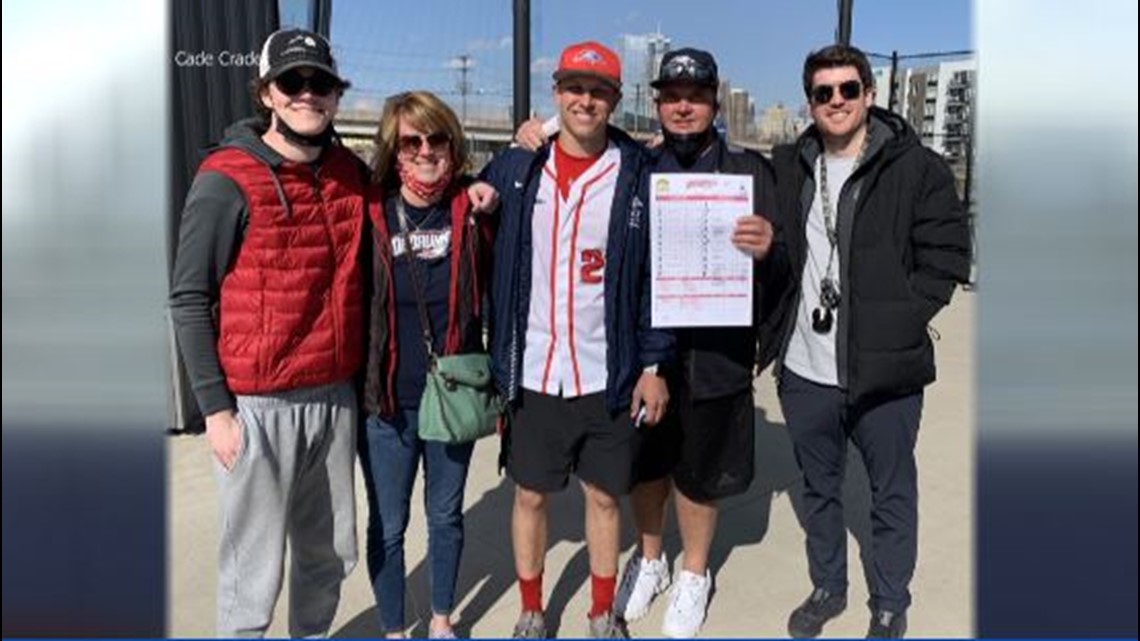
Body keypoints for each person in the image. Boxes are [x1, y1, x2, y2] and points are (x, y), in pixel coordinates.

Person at [769, 44, 971, 639]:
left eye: (847, 89)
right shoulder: (790, 163)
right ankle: (828, 586)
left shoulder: (918, 168)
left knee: (891, 493)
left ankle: (889, 600)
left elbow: (948, 255)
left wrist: (902, 318)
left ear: (869, 94)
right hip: (806, 369)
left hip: (886, 371)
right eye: (823, 93)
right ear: (810, 101)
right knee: (820, 490)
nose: (836, 101)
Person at [169, 28, 363, 637]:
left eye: (321, 82)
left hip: (332, 398)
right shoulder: (226, 179)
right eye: (293, 81)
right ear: (268, 95)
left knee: (328, 558)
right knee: (252, 574)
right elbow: (188, 297)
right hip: (257, 406)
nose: (308, 93)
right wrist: (217, 410)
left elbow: (427, 185)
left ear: (336, 95)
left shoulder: (351, 176)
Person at [481, 41, 673, 639]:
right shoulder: (518, 168)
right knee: (531, 497)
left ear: (616, 100)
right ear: (557, 94)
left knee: (603, 499)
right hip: (536, 368)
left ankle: (599, 611)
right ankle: (532, 609)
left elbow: (656, 276)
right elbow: (471, 200)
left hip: (604, 369)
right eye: (574, 88)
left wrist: (654, 363)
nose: (585, 100)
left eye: (598, 91)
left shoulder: (638, 173)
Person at [604, 48, 783, 639]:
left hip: (718, 353)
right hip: (644, 352)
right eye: (672, 96)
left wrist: (768, 249)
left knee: (702, 471)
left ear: (713, 101)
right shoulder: (635, 166)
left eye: (697, 95)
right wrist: (539, 128)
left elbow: (785, 265)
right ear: (656, 103)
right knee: (647, 465)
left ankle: (695, 573)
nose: (684, 106)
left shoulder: (749, 171)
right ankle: (652, 558)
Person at [356, 90, 496, 640]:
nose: (425, 150)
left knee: (445, 517)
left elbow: (523, 173)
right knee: (389, 526)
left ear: (452, 143)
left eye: (436, 138)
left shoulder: (472, 207)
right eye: (412, 140)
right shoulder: (370, 211)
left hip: (452, 394)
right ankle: (394, 629)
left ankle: (440, 619)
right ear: (394, 150)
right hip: (386, 401)